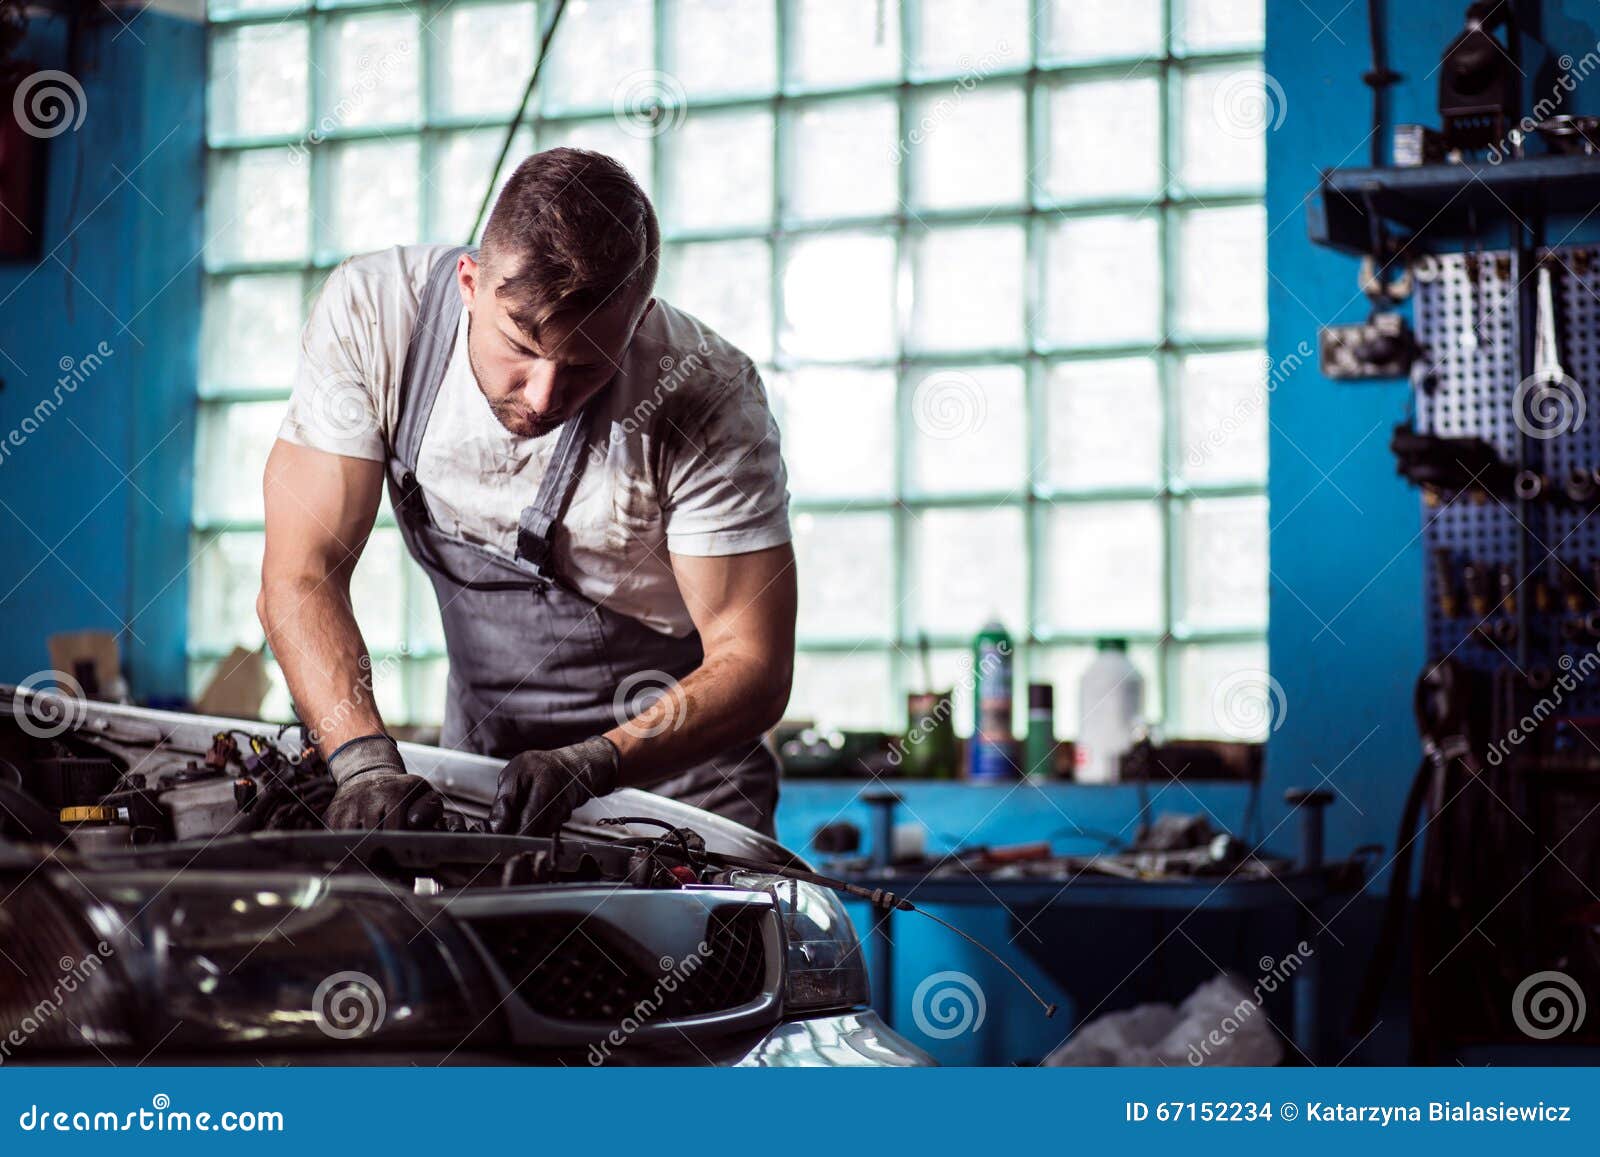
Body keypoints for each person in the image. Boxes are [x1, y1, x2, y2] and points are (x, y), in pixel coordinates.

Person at [257, 148, 794, 837]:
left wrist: (598, 761)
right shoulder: (377, 319)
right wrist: (363, 763)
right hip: (487, 772)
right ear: (469, 282)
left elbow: (754, 661)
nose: (543, 397)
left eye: (584, 365)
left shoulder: (704, 393)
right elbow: (300, 573)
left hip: (680, 789)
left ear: (638, 322)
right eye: (519, 345)